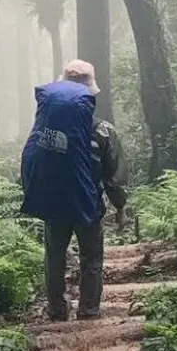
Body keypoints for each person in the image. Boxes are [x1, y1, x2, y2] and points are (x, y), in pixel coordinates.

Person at [20, 59, 128, 322]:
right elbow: (114, 176)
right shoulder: (103, 131)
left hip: (54, 203)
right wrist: (120, 207)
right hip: (87, 204)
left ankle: (57, 310)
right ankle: (88, 311)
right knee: (91, 258)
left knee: (54, 257)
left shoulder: (46, 130)